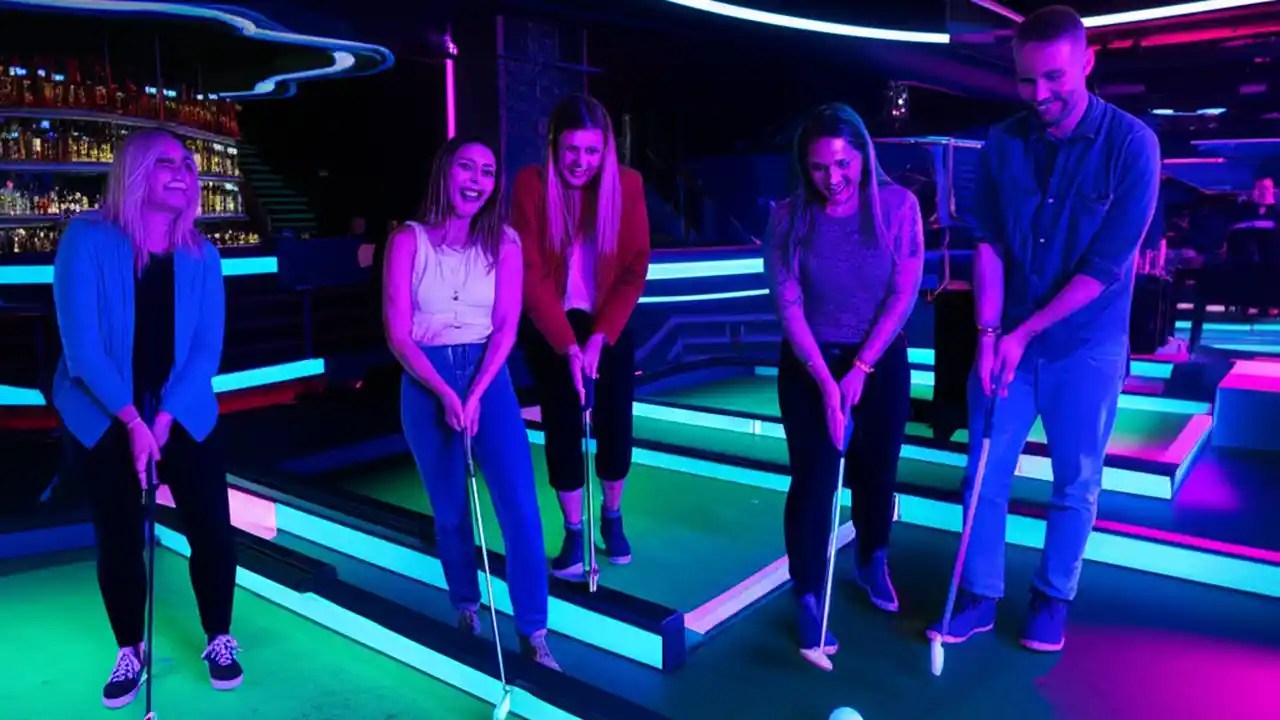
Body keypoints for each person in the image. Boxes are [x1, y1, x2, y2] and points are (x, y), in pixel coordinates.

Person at [926, 5, 1160, 652]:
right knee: (982, 472)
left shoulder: (1132, 145)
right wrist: (987, 335)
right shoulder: (1002, 143)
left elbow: (1105, 267)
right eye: (1026, 80)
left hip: (1086, 345)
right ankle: (979, 595)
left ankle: (1052, 598)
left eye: (1055, 77)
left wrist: (1022, 333)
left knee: (1075, 481)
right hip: (1007, 337)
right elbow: (990, 245)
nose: (1040, 94)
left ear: (1087, 62)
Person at [51, 129, 241, 708]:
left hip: (181, 408)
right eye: (165, 162)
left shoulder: (202, 254)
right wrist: (134, 422)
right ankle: (130, 648)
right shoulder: (85, 239)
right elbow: (83, 351)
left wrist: (162, 421)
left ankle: (219, 636)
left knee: (212, 528)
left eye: (187, 163)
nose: (182, 171)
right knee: (118, 535)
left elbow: (205, 351)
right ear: (134, 172)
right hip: (103, 409)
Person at [384, 135, 560, 670]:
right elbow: (398, 333)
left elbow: (506, 326)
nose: (477, 180)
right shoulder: (407, 240)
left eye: (487, 172)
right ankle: (466, 606)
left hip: (489, 377)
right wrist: (444, 392)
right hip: (425, 378)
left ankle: (533, 631)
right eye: (467, 167)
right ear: (445, 171)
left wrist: (477, 391)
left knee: (521, 508)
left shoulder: (504, 242)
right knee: (451, 510)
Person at [763, 103, 925, 653]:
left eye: (842, 163)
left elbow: (903, 292)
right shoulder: (787, 218)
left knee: (877, 469)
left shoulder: (898, 207)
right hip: (809, 362)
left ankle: (873, 556)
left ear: (862, 156)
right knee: (814, 478)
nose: (831, 178)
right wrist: (829, 387)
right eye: (818, 167)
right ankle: (808, 593)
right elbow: (789, 308)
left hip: (878, 358)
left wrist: (860, 369)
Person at [511, 94, 651, 579]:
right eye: (571, 149)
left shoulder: (627, 185)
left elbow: (634, 270)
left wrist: (598, 339)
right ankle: (574, 530)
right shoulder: (530, 186)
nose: (581, 161)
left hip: (608, 322)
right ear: (554, 145)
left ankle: (611, 516)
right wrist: (567, 344)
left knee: (615, 423)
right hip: (552, 324)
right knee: (563, 426)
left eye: (591, 151)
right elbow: (530, 275)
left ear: (605, 150)